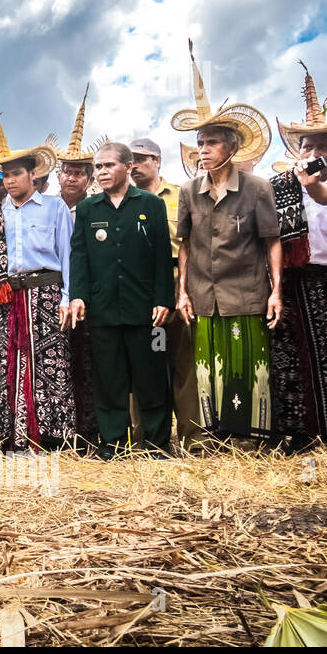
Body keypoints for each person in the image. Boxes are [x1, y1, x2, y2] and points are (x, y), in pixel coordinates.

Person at [172, 41, 280, 439]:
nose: (203, 150)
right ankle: (211, 437)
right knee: (207, 365)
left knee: (247, 364)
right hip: (203, 295)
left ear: (233, 147)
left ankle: (250, 440)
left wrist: (276, 291)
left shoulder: (258, 188)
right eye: (200, 143)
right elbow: (184, 244)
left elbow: (271, 241)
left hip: (247, 292)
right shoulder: (188, 191)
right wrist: (182, 293)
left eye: (212, 142)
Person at [268, 65, 327, 445]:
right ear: (296, 150)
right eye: (308, 145)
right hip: (291, 282)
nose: (315, 152)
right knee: (292, 356)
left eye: (325, 145)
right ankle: (298, 434)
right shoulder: (279, 190)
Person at [0, 116, 77, 451]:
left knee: (50, 363)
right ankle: (16, 434)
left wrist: (67, 297)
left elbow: (68, 256)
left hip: (47, 294)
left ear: (33, 174)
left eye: (16, 173)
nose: (10, 180)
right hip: (8, 297)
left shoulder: (54, 207)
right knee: (11, 364)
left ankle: (53, 435)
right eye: (5, 174)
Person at [69, 143, 173, 457]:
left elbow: (161, 256)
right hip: (103, 311)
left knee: (151, 376)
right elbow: (80, 256)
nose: (101, 172)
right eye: (97, 167)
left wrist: (163, 299)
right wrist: (78, 296)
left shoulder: (151, 204)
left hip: (146, 311)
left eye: (108, 165)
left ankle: (157, 444)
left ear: (127, 167)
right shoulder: (88, 209)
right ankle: (112, 443)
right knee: (108, 379)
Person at [127, 137, 202, 447]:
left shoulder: (182, 194)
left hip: (179, 283)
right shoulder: (123, 199)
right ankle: (146, 438)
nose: (134, 166)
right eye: (130, 160)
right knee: (146, 364)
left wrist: (186, 289)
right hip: (140, 289)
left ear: (157, 161)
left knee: (185, 363)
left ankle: (193, 437)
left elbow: (193, 242)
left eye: (141, 159)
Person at [54, 90, 101, 440]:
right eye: (66, 172)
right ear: (58, 175)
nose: (71, 178)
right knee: (61, 361)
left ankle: (91, 429)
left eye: (78, 173)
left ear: (89, 178)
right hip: (54, 296)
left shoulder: (98, 209)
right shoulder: (47, 209)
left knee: (90, 362)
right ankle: (65, 430)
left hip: (91, 297)